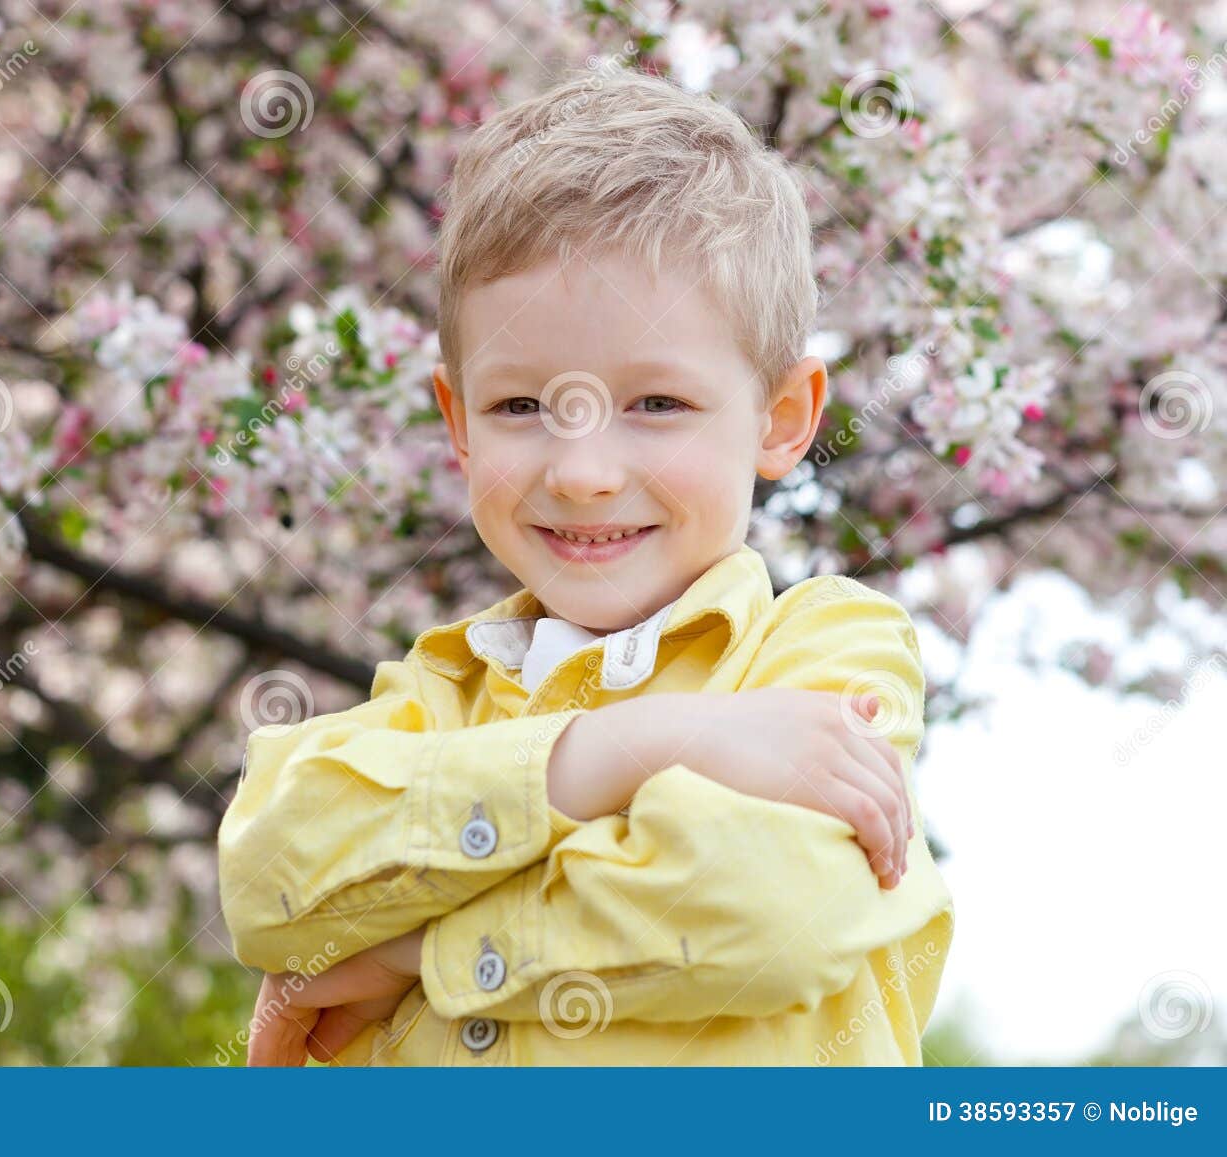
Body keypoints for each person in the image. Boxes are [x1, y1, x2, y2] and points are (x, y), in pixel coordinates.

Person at [216, 67, 954, 1066]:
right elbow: (269, 868)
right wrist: (622, 749)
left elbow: (768, 909)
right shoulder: (439, 689)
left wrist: (412, 951)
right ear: (459, 422)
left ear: (781, 418)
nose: (584, 473)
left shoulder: (825, 648)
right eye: (520, 407)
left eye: (655, 404)